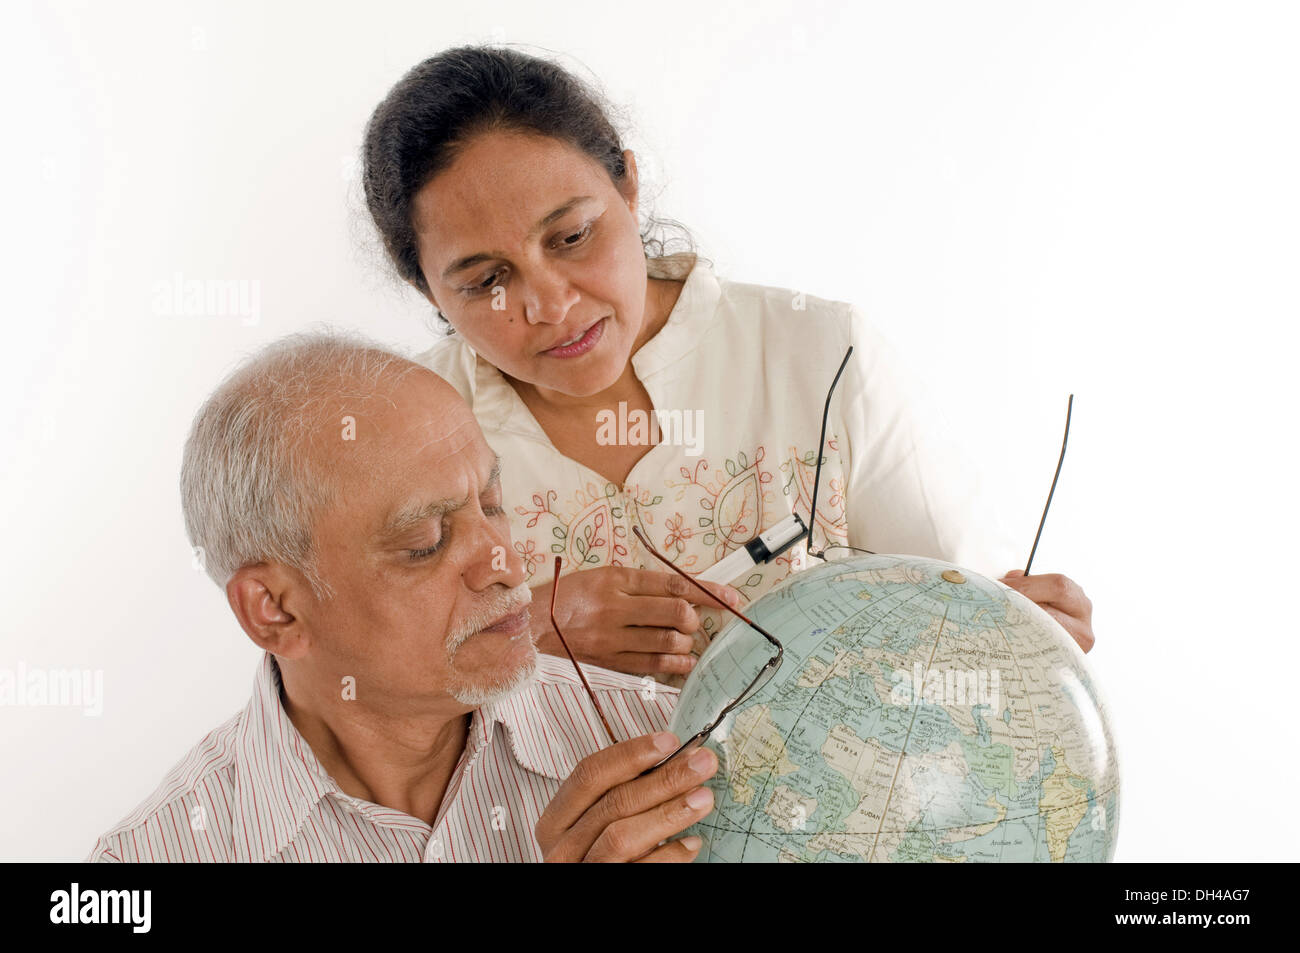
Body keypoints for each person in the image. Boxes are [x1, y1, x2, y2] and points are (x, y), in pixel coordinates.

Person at [359, 45, 1096, 689]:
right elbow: (365, 696)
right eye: (485, 279)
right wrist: (526, 641)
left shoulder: (816, 354)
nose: (549, 303)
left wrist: (1023, 629)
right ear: (424, 287)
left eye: (574, 235)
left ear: (628, 185)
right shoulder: (403, 441)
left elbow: (963, 620)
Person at [86, 331, 726, 863]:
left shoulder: (674, 742)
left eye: (493, 505)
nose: (507, 565)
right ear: (274, 610)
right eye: (424, 541)